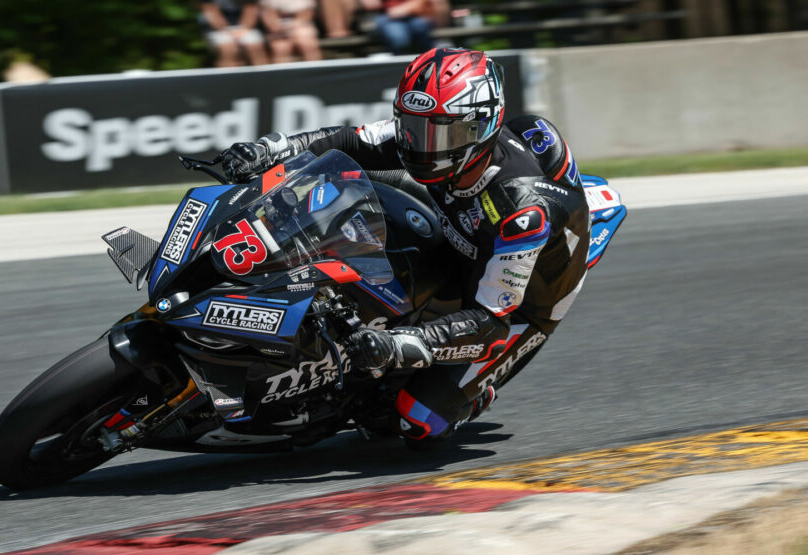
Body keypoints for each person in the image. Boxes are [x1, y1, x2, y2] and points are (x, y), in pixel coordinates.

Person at [219, 48, 590, 446]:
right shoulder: (426, 140)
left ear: (480, 128)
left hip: (518, 309)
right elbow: (347, 139)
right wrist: (271, 150)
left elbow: (490, 324)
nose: (421, 146)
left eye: (440, 133)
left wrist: (399, 345)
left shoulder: (520, 213)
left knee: (413, 419)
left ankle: (475, 393)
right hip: (455, 237)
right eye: (414, 127)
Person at [363, 0, 449, 54]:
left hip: (416, 15)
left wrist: (404, 9)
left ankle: (428, 59)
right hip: (387, 17)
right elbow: (370, 4)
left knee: (420, 26)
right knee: (398, 36)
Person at [200, 0, 269, 68]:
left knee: (255, 47)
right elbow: (211, 12)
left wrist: (243, 30)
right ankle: (227, 78)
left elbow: (251, 10)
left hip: (245, 27)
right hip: (218, 29)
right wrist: (227, 31)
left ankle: (265, 77)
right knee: (228, 49)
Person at [260, 0, 325, 63]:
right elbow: (269, 16)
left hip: (301, 26)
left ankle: (315, 72)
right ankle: (282, 73)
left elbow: (306, 14)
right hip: (277, 30)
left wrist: (292, 28)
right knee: (280, 48)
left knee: (307, 44)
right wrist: (279, 28)